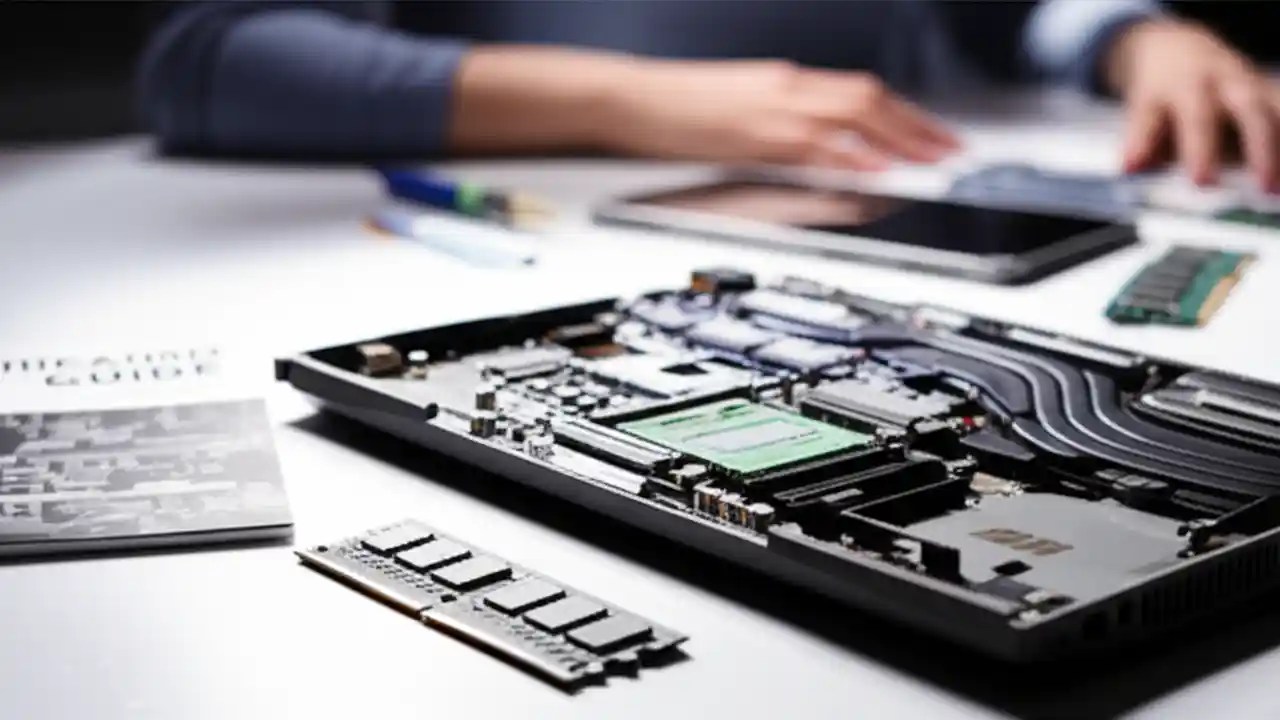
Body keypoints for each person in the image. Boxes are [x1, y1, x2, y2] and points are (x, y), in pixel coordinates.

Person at [138, 1, 1280, 190]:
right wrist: (626, 102)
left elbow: (1009, 10)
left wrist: (1137, 33)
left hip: (902, 179)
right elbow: (214, 56)